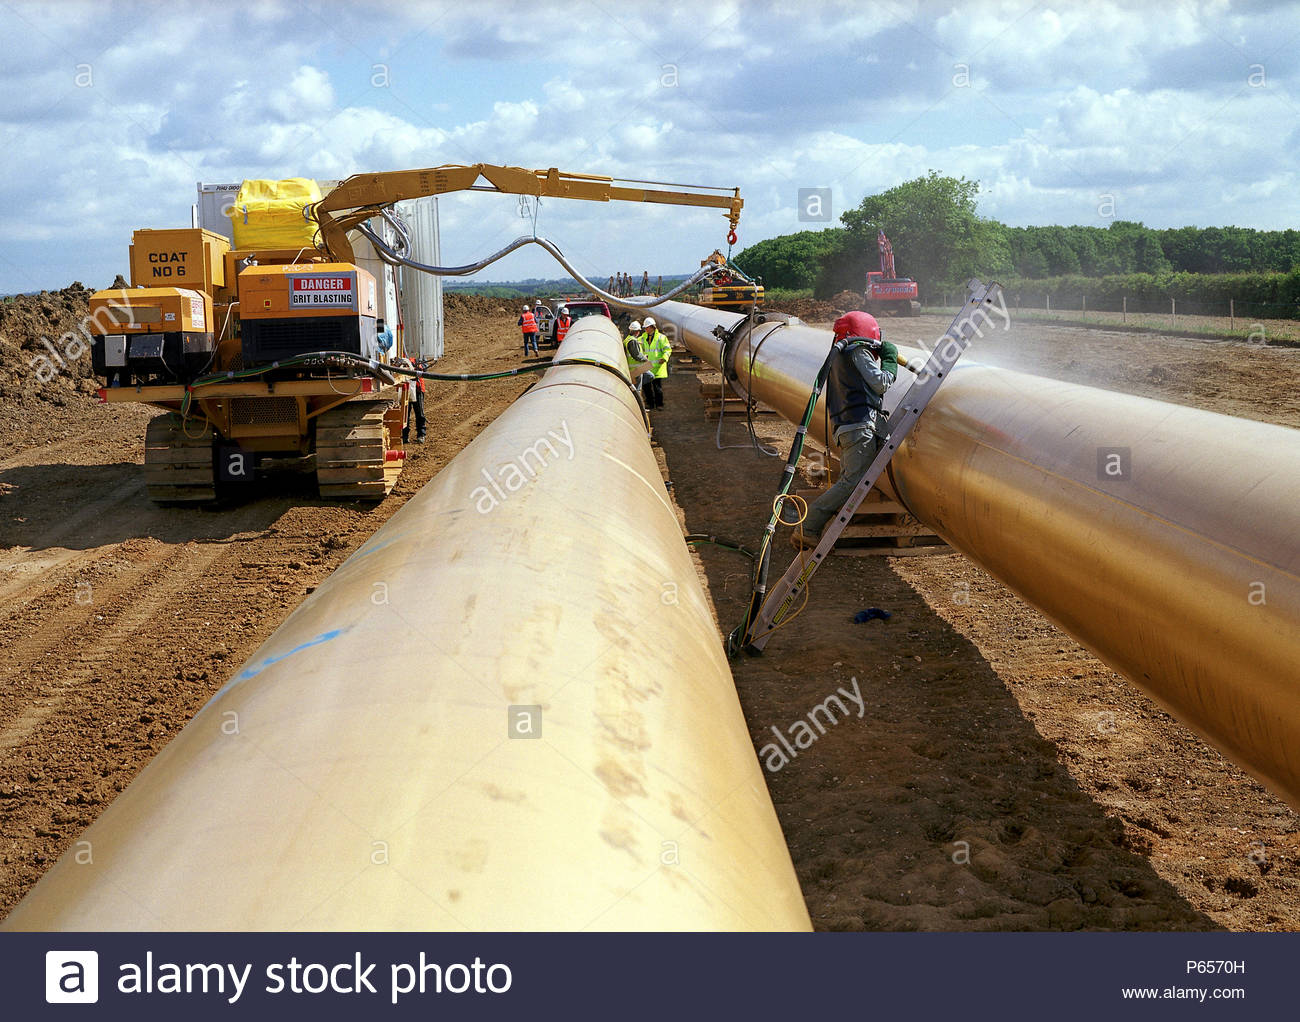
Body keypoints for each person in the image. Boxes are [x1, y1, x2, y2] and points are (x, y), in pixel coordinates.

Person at [798, 311, 899, 544]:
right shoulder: (858, 351)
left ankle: (821, 524)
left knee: (849, 479)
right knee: (851, 481)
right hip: (859, 425)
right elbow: (881, 383)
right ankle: (810, 526)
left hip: (845, 426)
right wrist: (890, 359)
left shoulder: (837, 355)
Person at [640, 315, 671, 409]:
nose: (645, 329)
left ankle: (659, 404)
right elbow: (635, 344)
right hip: (647, 366)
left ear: (652, 327)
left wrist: (664, 358)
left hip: (658, 366)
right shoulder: (642, 338)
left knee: (657, 388)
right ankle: (650, 404)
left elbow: (667, 350)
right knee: (646, 388)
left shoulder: (661, 338)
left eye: (646, 328)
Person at [399, 356, 426, 444]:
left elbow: (425, 366)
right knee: (405, 414)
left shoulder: (418, 357)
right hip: (405, 387)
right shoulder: (400, 355)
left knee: (419, 413)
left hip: (417, 387)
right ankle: (404, 436)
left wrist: (419, 367)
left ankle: (421, 434)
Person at [623, 319, 650, 392]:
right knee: (637, 388)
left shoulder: (628, 339)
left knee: (649, 376)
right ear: (638, 332)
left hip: (633, 367)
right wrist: (645, 358)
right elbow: (636, 355)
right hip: (636, 368)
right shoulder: (632, 341)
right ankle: (637, 401)